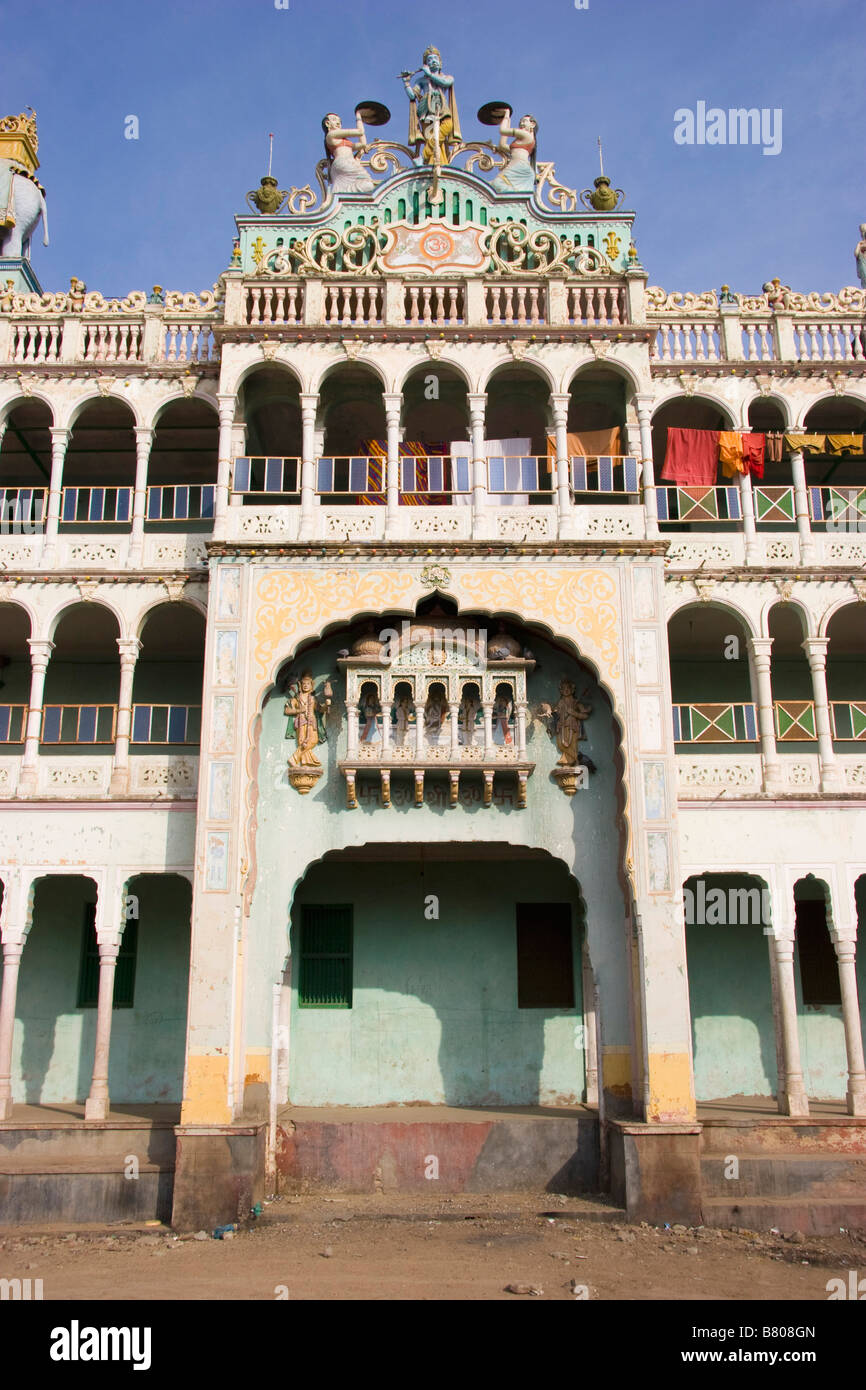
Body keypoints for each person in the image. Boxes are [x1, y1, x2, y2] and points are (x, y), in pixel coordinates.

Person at [400, 47, 461, 166]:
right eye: (429, 59)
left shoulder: (447, 77)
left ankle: (423, 157)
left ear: (440, 62)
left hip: (442, 108)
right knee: (431, 136)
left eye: (435, 58)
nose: (433, 61)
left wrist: (430, 74)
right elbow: (413, 96)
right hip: (426, 109)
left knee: (448, 126)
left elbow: (445, 83)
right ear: (425, 64)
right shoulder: (421, 80)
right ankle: (436, 163)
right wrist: (406, 82)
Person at [321, 113, 376, 194]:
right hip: (344, 163)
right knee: (367, 184)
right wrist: (359, 118)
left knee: (367, 185)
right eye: (334, 120)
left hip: (347, 163)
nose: (338, 122)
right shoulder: (331, 135)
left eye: (339, 121)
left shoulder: (345, 142)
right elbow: (360, 132)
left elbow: (363, 144)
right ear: (327, 123)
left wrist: (361, 120)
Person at [491, 111, 538, 194]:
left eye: (524, 121)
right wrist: (507, 120)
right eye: (520, 122)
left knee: (496, 184)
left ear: (532, 124)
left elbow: (503, 130)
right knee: (494, 185)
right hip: (519, 166)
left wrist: (506, 114)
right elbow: (502, 145)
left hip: (519, 167)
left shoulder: (526, 135)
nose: (521, 123)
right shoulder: (522, 142)